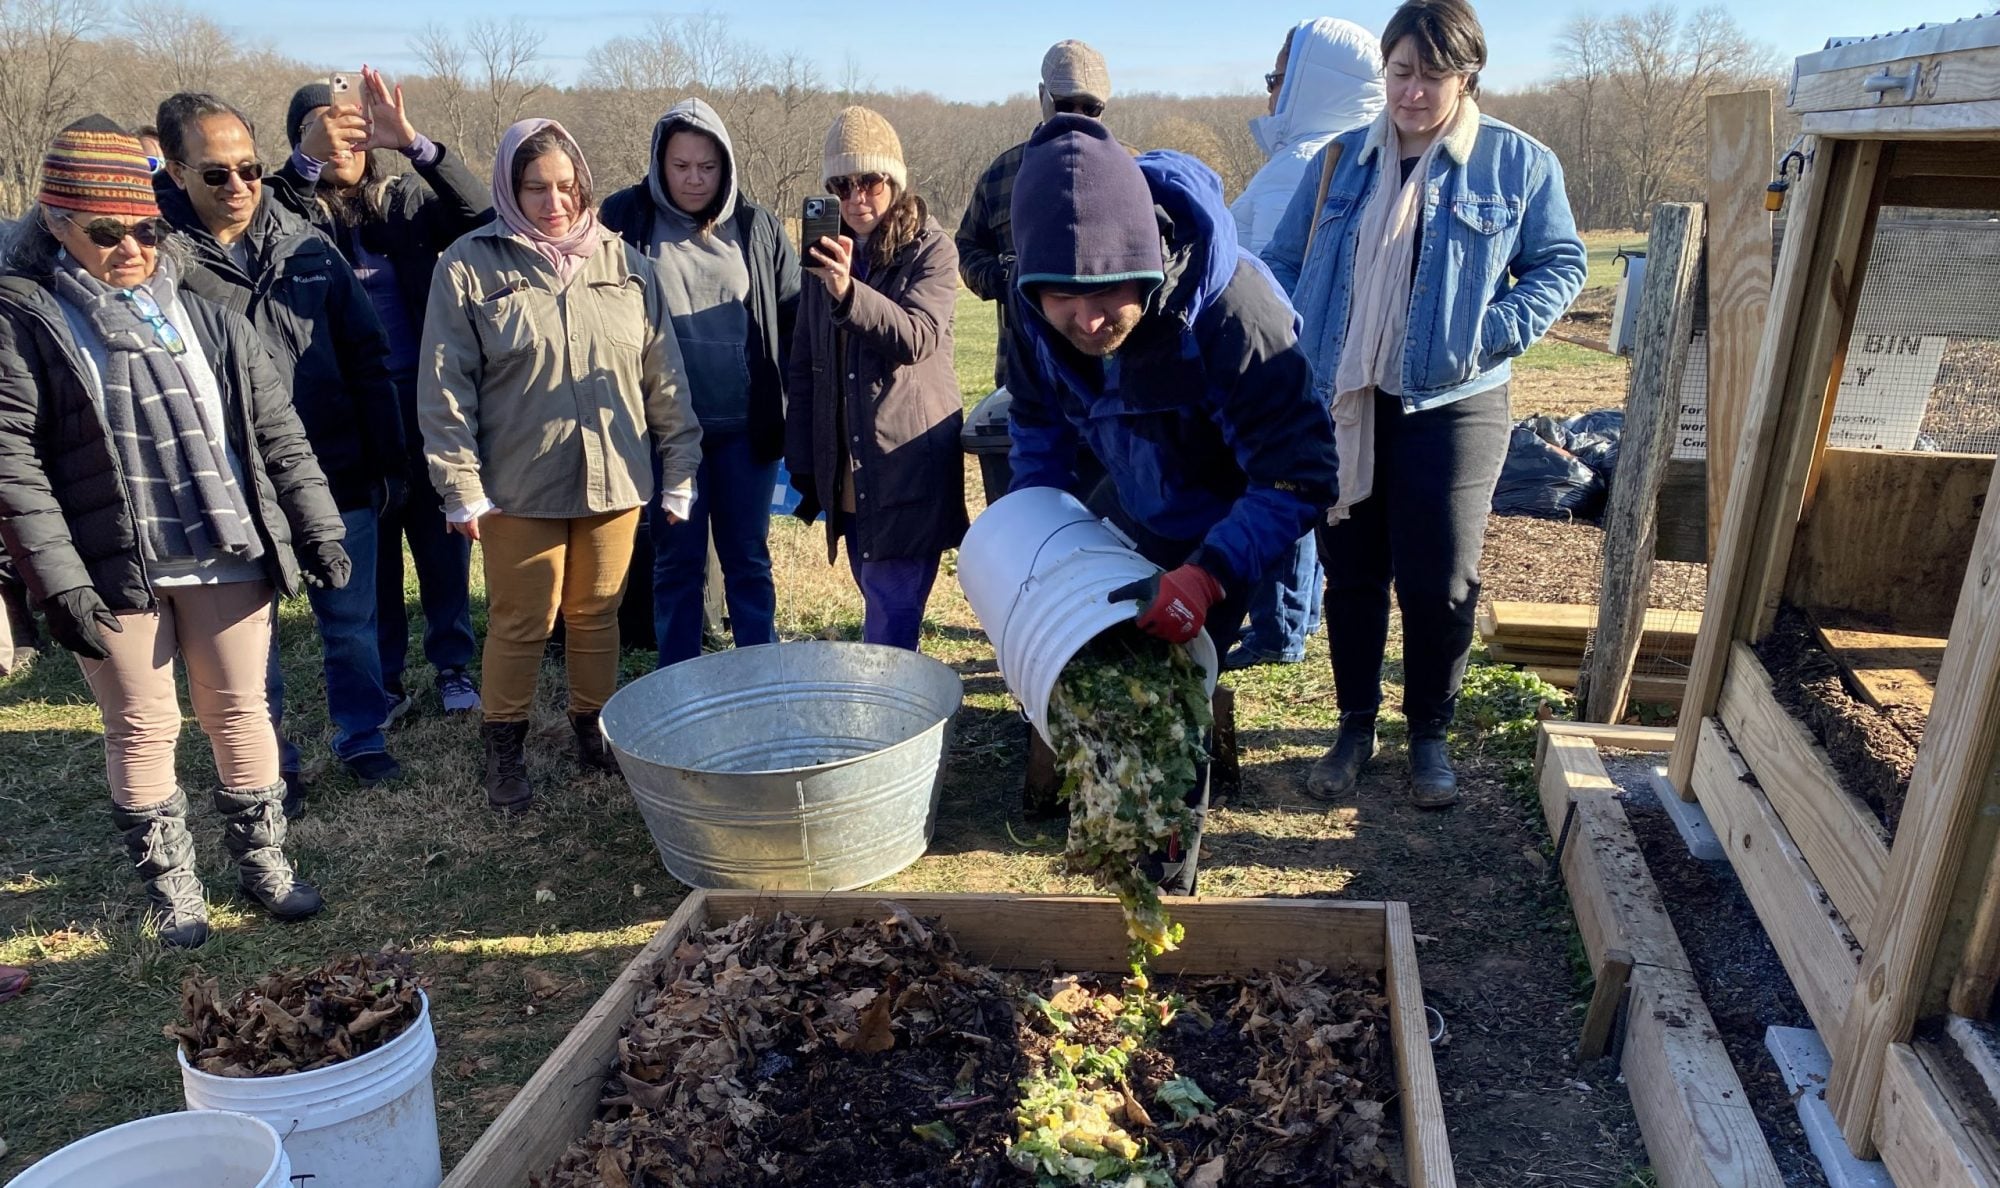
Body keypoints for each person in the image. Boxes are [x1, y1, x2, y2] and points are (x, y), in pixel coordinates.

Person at [0, 117, 343, 947]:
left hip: (224, 546)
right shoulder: (27, 323)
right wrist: (63, 580)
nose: (131, 249)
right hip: (112, 562)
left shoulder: (204, 316)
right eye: (106, 232)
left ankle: (264, 864)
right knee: (143, 724)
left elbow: (275, 433)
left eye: (145, 229)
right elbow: (12, 461)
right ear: (55, 224)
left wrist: (319, 526)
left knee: (241, 712)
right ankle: (173, 887)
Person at [1002, 114, 1341, 893]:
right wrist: (1034, 531)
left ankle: (1162, 890)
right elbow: (1037, 424)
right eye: (1063, 299)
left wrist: (1208, 575)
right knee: (1095, 665)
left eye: (1109, 295)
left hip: (1233, 513)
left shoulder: (1236, 318)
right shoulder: (1033, 309)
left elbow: (1300, 475)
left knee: (1169, 691)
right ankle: (1098, 830)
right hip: (1133, 485)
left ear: (1149, 262)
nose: (1087, 321)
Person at [1262, 0, 1587, 808]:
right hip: (1349, 398)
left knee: (1441, 576)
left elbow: (1560, 262)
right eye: (1400, 72)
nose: (1411, 93)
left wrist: (1492, 331)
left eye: (1431, 76)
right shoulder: (1341, 160)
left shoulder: (1517, 163)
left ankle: (1430, 735)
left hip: (1457, 400)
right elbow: (1275, 261)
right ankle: (1354, 726)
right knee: (1353, 571)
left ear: (1466, 75)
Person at [421, 119, 701, 812]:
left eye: (567, 187)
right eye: (536, 188)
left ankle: (593, 732)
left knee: (596, 613)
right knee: (521, 618)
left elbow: (663, 376)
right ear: (510, 189)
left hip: (616, 477)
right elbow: (444, 384)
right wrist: (459, 487)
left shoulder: (626, 265)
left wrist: (680, 466)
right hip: (519, 483)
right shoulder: (467, 264)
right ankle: (504, 747)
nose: (554, 203)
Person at [153, 91, 408, 808]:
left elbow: (367, 355)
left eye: (250, 169)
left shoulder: (306, 242)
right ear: (174, 172)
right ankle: (271, 758)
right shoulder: (163, 263)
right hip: (232, 482)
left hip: (335, 471)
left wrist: (388, 459)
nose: (238, 186)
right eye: (215, 174)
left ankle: (363, 735)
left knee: (351, 623)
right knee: (249, 641)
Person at [275, 67, 492, 720]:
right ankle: (389, 676)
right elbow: (259, 218)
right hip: (346, 418)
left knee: (442, 546)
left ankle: (453, 663)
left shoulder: (404, 205)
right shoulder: (290, 220)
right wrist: (303, 164)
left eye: (353, 130)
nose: (345, 143)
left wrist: (416, 145)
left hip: (424, 408)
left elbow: (481, 214)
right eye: (326, 130)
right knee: (371, 556)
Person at [599, 98, 800, 669]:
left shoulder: (757, 227)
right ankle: (680, 680)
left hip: (745, 428)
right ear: (660, 162)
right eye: (681, 165)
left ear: (726, 167)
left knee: (747, 558)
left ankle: (758, 672)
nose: (693, 179)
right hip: (665, 432)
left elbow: (792, 314)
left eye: (706, 167)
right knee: (677, 561)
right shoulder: (624, 218)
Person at [1222, 18, 1384, 674]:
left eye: (1279, 77)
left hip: (1285, 357)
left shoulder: (1314, 164)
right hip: (1282, 353)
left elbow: (1277, 271)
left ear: (1315, 82)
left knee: (1284, 480)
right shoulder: (1315, 158)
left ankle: (1281, 627)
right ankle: (1293, 616)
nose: (1270, 92)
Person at [786, 107, 967, 650]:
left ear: (894, 182)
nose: (856, 199)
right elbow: (805, 364)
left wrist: (847, 292)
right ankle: (895, 699)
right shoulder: (828, 256)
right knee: (873, 589)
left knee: (891, 613)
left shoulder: (931, 249)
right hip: (849, 463)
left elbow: (917, 336)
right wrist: (804, 461)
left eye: (869, 182)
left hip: (906, 460)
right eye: (841, 186)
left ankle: (892, 721)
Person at [956, 41, 1113, 391]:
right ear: (1041, 95)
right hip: (1026, 374)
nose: (1075, 117)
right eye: (1064, 104)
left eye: (1090, 107)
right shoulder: (1002, 174)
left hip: (1113, 380)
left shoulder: (1133, 170)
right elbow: (966, 246)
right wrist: (1003, 278)